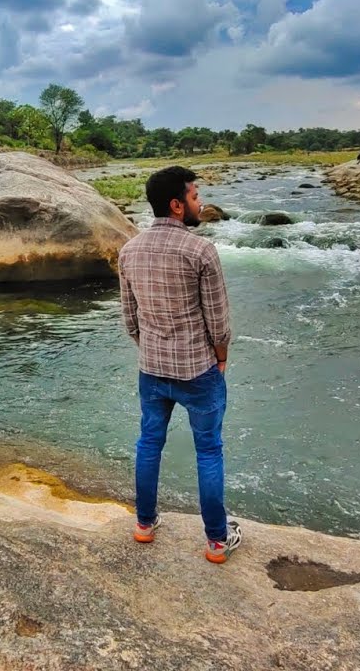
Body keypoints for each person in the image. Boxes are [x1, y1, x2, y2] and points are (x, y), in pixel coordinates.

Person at [117, 165, 240, 564]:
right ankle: (217, 542)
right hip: (197, 370)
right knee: (209, 451)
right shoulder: (200, 250)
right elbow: (219, 322)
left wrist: (152, 347)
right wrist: (220, 360)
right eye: (194, 196)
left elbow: (130, 320)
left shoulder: (128, 251)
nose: (199, 203)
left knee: (149, 443)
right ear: (175, 204)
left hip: (151, 369)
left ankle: (144, 525)